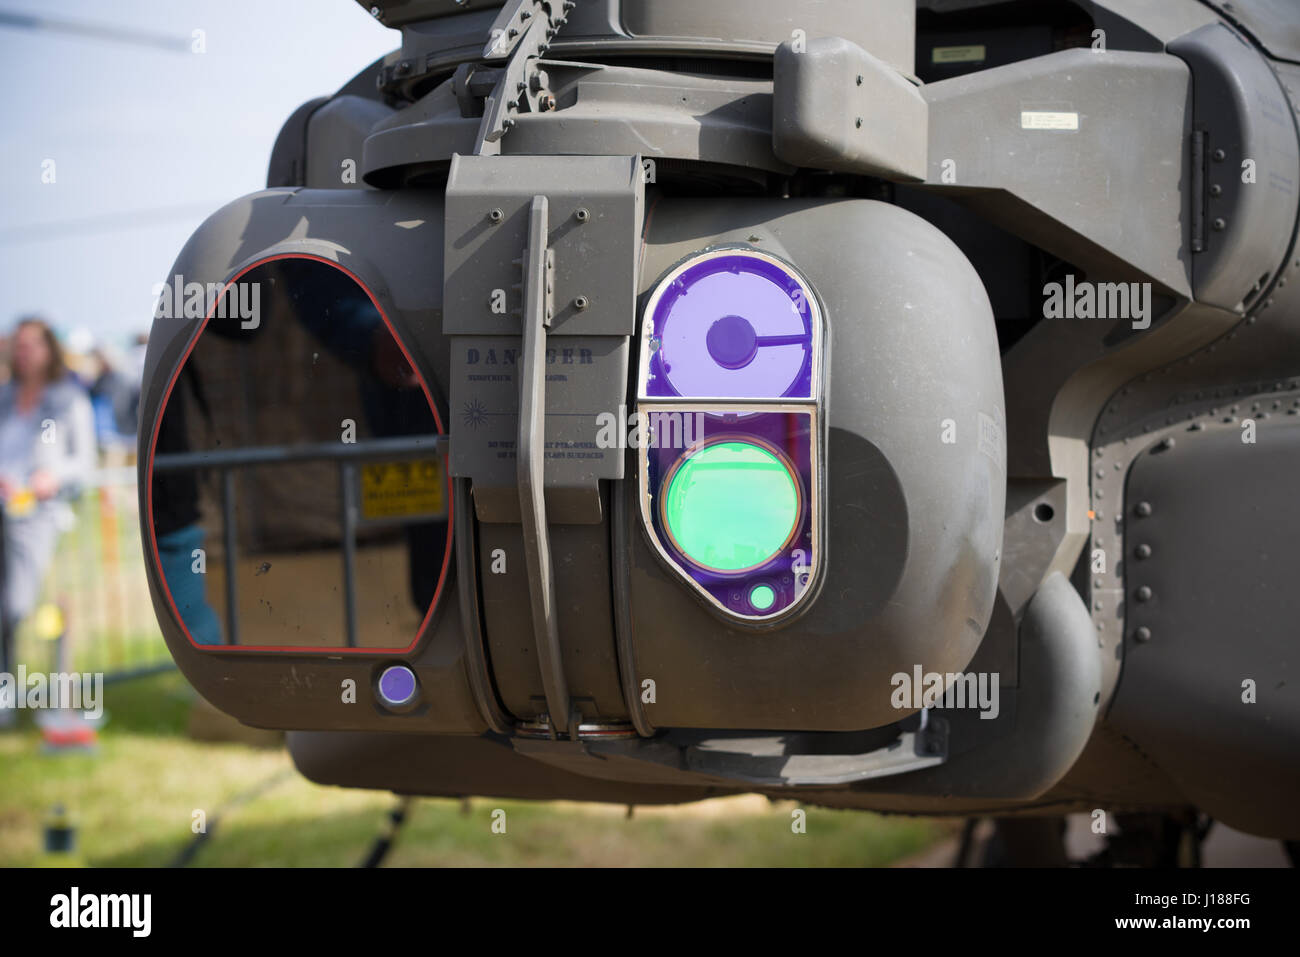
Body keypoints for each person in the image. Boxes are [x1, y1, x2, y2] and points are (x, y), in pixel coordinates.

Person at [0, 318, 95, 726]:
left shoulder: (68, 398)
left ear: (49, 349)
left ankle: (58, 702)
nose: (24, 353)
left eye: (32, 345)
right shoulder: (5, 397)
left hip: (41, 519)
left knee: (17, 607)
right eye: (18, 346)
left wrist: (52, 479)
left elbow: (84, 464)